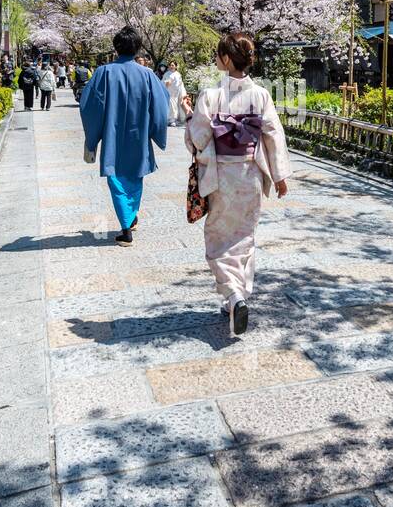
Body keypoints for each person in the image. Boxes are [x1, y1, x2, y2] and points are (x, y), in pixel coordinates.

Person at [182, 31, 290, 335]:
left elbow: (197, 139)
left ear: (227, 60)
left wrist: (189, 115)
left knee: (218, 237)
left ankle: (233, 294)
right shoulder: (261, 95)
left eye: (218, 55)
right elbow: (273, 135)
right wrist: (279, 175)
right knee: (244, 236)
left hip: (221, 177)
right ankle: (236, 300)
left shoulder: (210, 95)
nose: (216, 59)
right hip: (251, 174)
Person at [79, 26, 169, 246]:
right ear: (138, 48)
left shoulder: (103, 72)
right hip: (138, 137)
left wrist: (93, 138)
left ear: (116, 47)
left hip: (113, 137)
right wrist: (157, 132)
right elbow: (161, 106)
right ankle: (130, 217)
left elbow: (89, 107)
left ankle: (126, 228)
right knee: (135, 177)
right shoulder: (147, 75)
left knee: (117, 179)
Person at [162, 60, 186, 127]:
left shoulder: (178, 74)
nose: (171, 66)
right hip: (168, 91)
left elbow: (179, 84)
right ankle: (167, 119)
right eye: (170, 65)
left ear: (175, 66)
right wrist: (166, 83)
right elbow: (162, 81)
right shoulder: (166, 74)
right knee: (167, 106)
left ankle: (173, 120)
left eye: (173, 65)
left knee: (174, 106)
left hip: (175, 93)